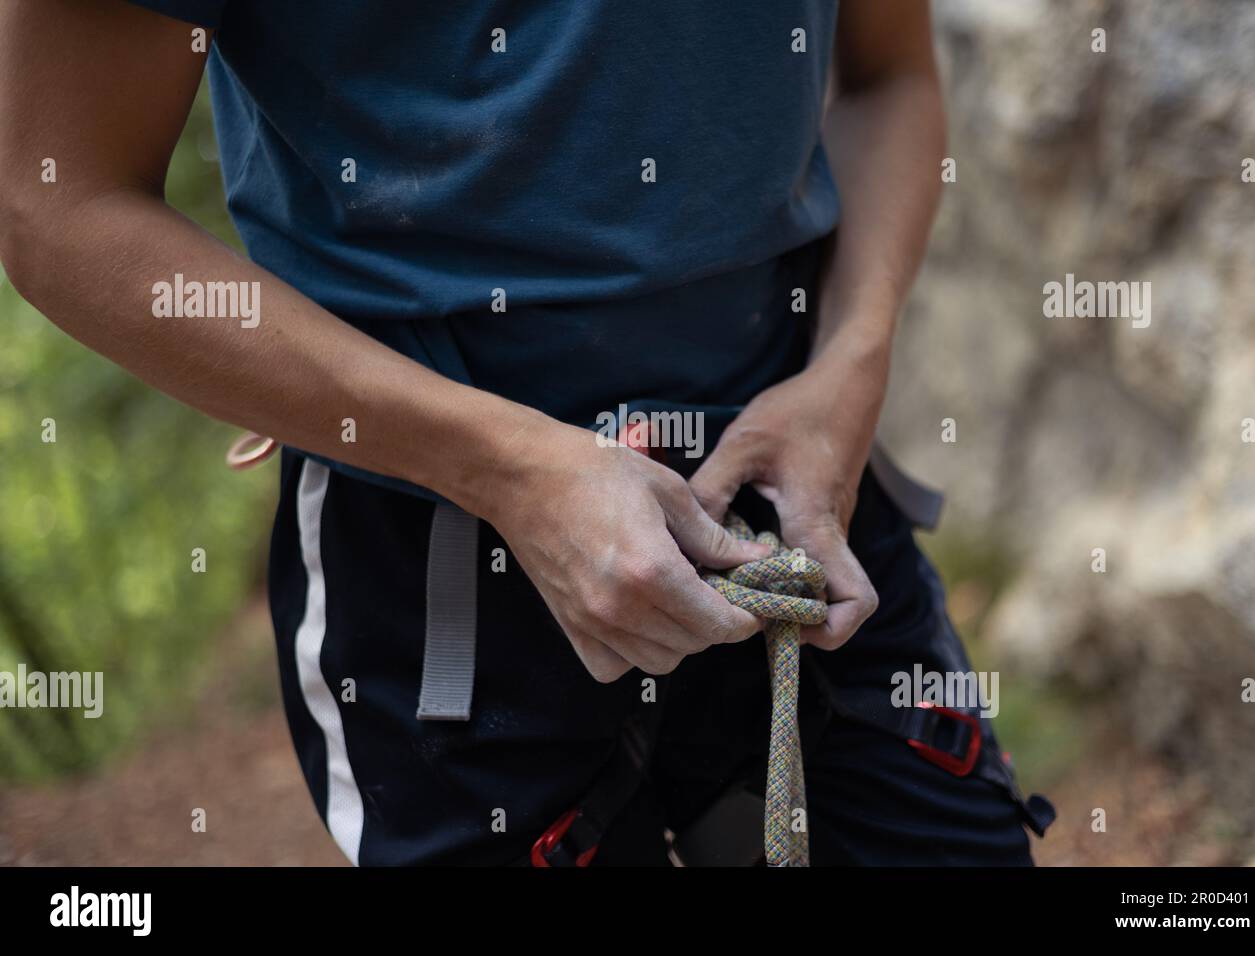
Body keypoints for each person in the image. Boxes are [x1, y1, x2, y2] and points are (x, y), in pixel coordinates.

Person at [0, 0, 1053, 865]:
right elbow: (57, 202)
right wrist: (510, 471)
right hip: (434, 565)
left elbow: (889, 76)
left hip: (798, 499)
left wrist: (850, 366)